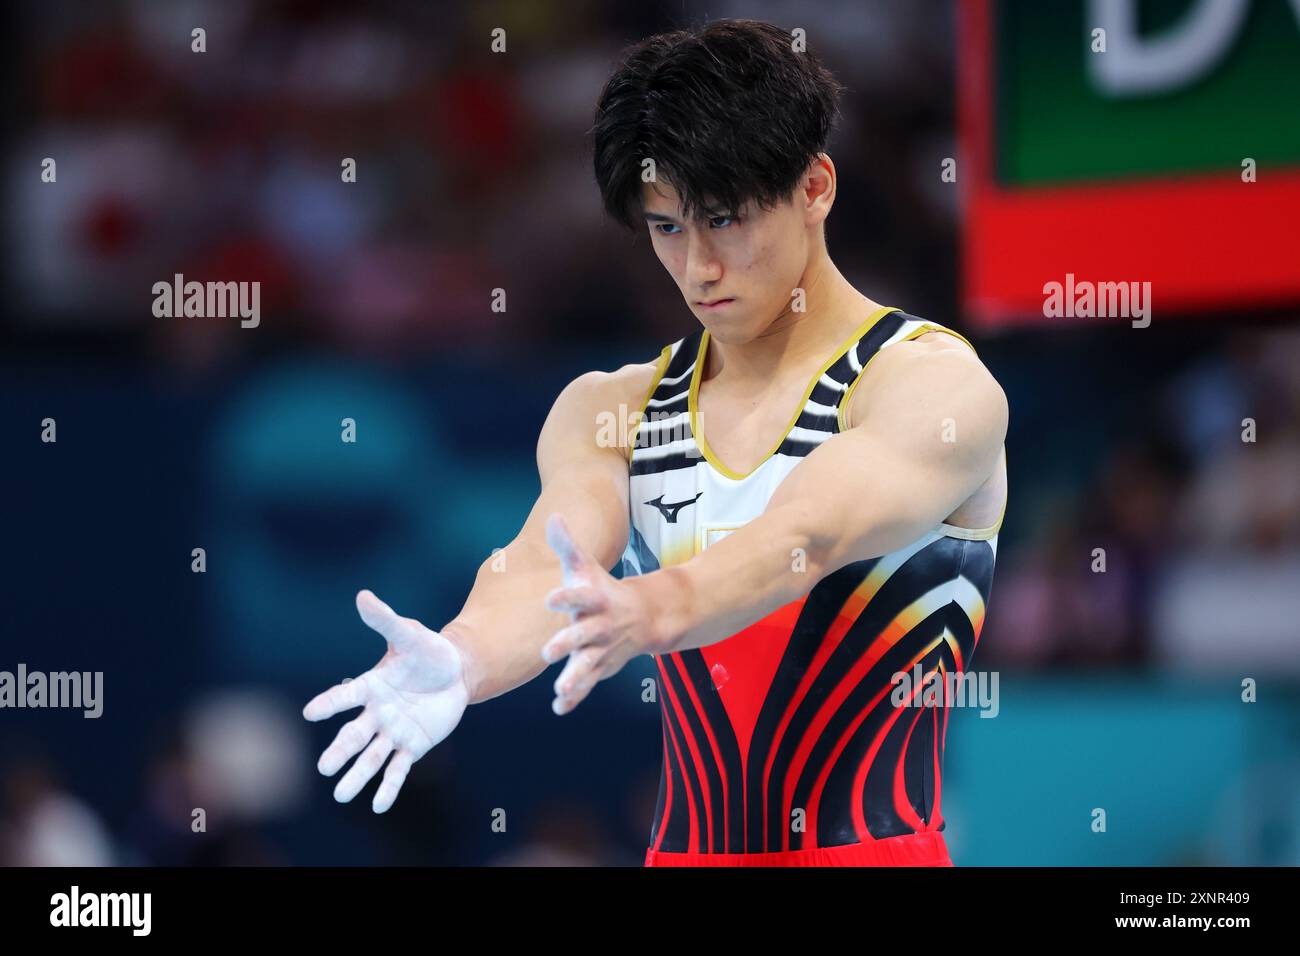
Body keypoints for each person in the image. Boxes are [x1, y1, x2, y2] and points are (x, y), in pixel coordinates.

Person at [303, 18, 1007, 867]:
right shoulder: (612, 408)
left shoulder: (930, 386)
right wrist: (465, 655)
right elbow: (546, 567)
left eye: (724, 219)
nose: (699, 266)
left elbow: (807, 538)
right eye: (667, 227)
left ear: (816, 186)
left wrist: (654, 608)